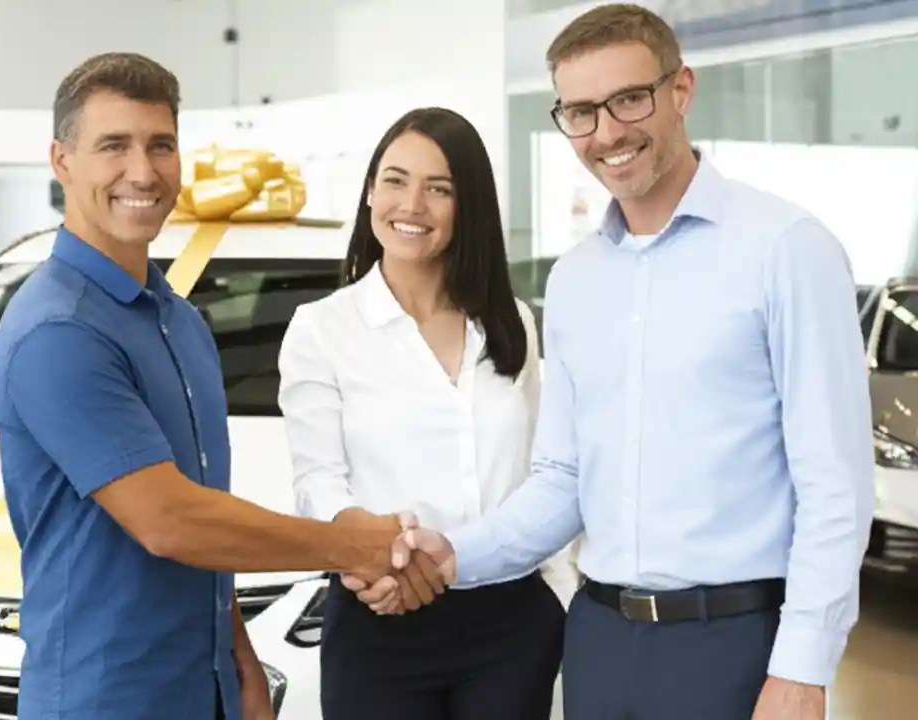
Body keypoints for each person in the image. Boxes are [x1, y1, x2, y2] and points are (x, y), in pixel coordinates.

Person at [354, 4, 874, 720]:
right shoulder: (575, 281)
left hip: (733, 642)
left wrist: (803, 669)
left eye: (630, 99)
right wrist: (453, 556)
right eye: (580, 112)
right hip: (597, 638)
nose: (607, 133)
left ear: (680, 90)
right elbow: (564, 479)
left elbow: (834, 486)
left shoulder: (786, 248)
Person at [0, 53, 434, 720]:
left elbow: (204, 519)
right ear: (62, 161)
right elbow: (170, 521)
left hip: (204, 690)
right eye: (114, 145)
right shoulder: (58, 330)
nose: (142, 171)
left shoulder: (179, 322)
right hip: (103, 698)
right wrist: (354, 544)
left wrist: (240, 663)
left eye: (160, 145)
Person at [277, 107, 567, 719]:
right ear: (369, 192)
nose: (412, 205)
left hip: (510, 622)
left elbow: (547, 470)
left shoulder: (512, 323)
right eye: (396, 180)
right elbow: (317, 480)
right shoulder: (323, 329)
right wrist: (377, 562)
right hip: (381, 615)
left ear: (469, 208)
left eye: (440, 189)